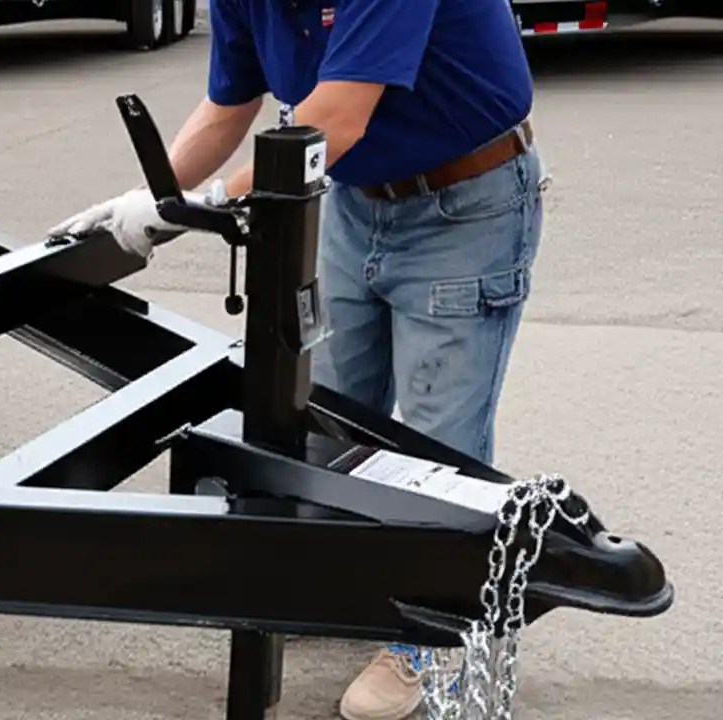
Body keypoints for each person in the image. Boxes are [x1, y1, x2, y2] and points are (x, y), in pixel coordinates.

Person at [48, 0, 549, 718]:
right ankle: (349, 589)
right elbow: (228, 106)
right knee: (335, 410)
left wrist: (205, 203)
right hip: (352, 197)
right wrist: (155, 201)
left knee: (439, 439)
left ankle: (433, 634)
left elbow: (337, 117)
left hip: (465, 203)